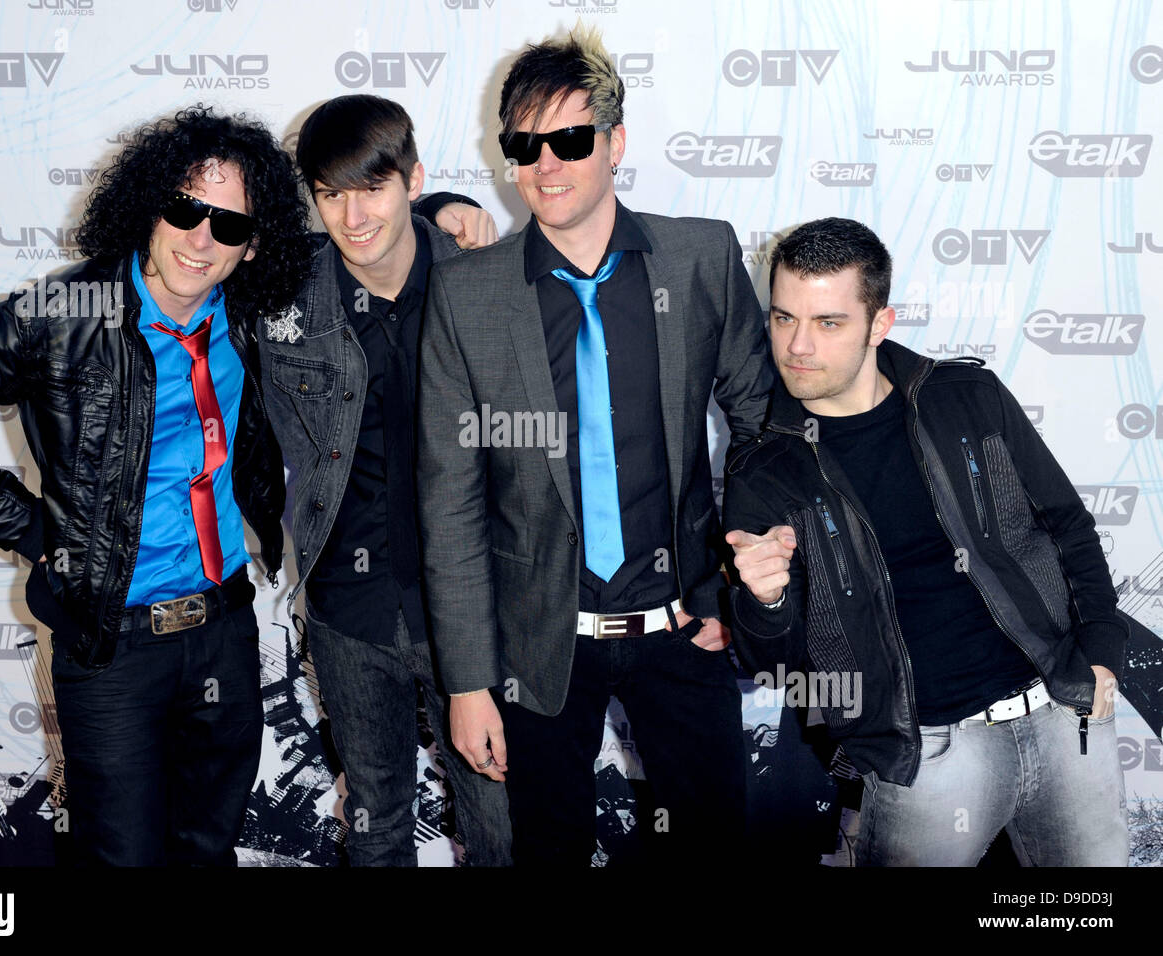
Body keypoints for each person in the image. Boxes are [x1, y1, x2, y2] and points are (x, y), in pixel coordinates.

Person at [0, 104, 493, 866]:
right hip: (112, 643)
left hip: (224, 632)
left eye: (230, 227)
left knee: (208, 849)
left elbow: (364, 233)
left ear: (252, 244)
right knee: (124, 857)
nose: (203, 239)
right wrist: (35, 532)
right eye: (186, 211)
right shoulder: (70, 312)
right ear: (151, 205)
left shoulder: (252, 305)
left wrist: (441, 208)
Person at [415, 27, 773, 865]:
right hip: (538, 649)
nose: (546, 165)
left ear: (615, 143)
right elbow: (450, 502)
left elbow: (761, 427)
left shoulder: (700, 258)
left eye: (570, 140)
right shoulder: (468, 295)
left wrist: (731, 592)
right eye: (524, 145)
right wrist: (467, 683)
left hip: (684, 628)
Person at [723, 217, 1129, 866]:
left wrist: (1102, 652)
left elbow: (1067, 524)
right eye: (782, 318)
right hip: (924, 754)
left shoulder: (966, 399)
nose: (797, 345)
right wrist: (762, 601)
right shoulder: (763, 472)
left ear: (879, 324)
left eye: (828, 323)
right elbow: (770, 660)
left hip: (1060, 711)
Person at [258, 94, 510, 866]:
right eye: (331, 195)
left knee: (501, 820)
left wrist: (448, 210)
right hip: (349, 601)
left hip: (473, 603)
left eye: (373, 189)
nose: (353, 215)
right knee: (374, 815)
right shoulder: (283, 293)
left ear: (413, 180)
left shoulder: (489, 283)